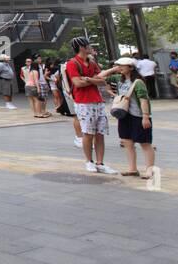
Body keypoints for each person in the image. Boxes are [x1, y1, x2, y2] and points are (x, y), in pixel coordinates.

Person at [65, 36, 117, 174]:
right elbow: (77, 83)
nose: (90, 47)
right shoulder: (72, 63)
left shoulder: (92, 63)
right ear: (81, 47)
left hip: (97, 101)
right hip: (83, 102)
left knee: (100, 133)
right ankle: (89, 161)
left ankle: (100, 163)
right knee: (88, 133)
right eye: (88, 45)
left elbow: (103, 81)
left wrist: (88, 79)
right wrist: (94, 80)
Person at [111, 58, 154, 178]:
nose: (119, 67)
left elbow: (144, 100)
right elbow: (100, 76)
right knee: (127, 142)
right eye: (118, 65)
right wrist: (114, 68)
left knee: (145, 143)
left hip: (138, 116)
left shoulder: (138, 82)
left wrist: (145, 117)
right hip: (124, 115)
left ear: (131, 67)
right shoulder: (119, 80)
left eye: (122, 65)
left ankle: (150, 170)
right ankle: (132, 169)